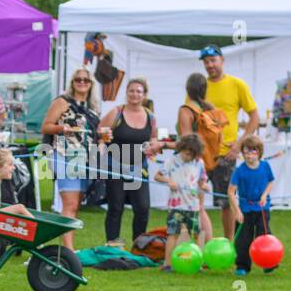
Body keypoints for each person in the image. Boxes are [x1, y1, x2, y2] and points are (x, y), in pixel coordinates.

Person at [199, 45, 260, 241]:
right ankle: (199, 244)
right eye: (206, 62)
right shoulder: (200, 87)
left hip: (225, 154)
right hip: (201, 154)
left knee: (226, 201)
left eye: (213, 60)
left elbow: (254, 117)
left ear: (222, 60)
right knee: (193, 200)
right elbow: (189, 115)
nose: (210, 65)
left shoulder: (237, 84)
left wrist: (239, 145)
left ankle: (229, 245)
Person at [98, 76, 164, 247]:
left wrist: (154, 146)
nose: (135, 94)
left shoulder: (150, 116)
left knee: (142, 208)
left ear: (144, 95)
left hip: (138, 168)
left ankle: (139, 245)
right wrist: (102, 140)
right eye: (131, 91)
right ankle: (112, 245)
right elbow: (100, 130)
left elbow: (154, 138)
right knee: (116, 207)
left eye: (139, 91)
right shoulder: (117, 112)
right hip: (115, 168)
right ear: (126, 93)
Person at [40, 67, 99, 251]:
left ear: (91, 85)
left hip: (85, 159)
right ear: (72, 83)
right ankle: (68, 250)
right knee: (70, 204)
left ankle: (67, 247)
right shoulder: (62, 102)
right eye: (78, 79)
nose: (82, 82)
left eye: (86, 80)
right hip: (65, 155)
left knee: (75, 206)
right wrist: (62, 129)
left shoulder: (92, 107)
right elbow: (46, 127)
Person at [176, 72, 227, 244]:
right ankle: (205, 248)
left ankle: (193, 248)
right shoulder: (210, 109)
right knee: (200, 207)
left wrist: (164, 145)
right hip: (208, 161)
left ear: (187, 89)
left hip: (191, 164)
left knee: (188, 207)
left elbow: (186, 141)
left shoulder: (186, 110)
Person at [153, 134, 208, 272]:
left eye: (191, 154)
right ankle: (167, 264)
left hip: (193, 206)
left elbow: (201, 181)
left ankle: (197, 262)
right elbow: (157, 176)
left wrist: (204, 186)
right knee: (173, 233)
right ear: (181, 148)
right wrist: (169, 181)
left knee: (195, 234)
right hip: (176, 206)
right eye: (185, 152)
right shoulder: (171, 161)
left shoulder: (199, 163)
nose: (187, 156)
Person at [231, 136, 277, 275]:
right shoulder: (239, 171)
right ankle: (243, 266)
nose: (249, 154)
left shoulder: (265, 166)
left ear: (259, 152)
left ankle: (268, 263)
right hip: (245, 210)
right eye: (246, 151)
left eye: (253, 151)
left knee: (264, 236)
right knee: (243, 239)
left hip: (262, 209)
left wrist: (264, 195)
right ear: (242, 153)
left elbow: (270, 182)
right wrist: (237, 210)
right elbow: (231, 191)